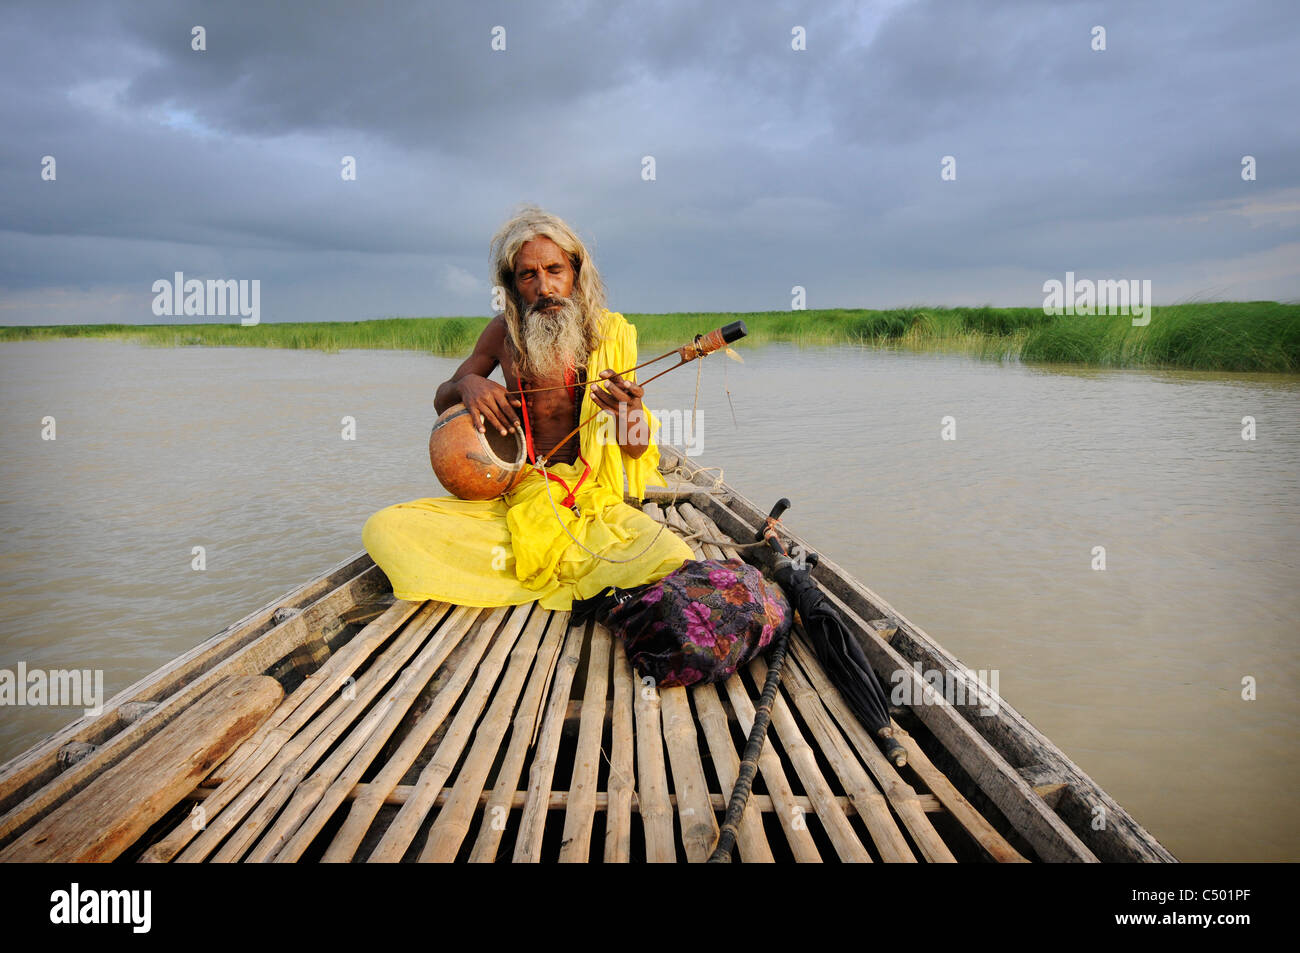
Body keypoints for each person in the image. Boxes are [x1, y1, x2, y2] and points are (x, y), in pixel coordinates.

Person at [362, 205, 694, 610]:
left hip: (588, 499)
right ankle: (566, 568)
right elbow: (440, 401)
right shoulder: (502, 332)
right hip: (517, 494)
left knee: (670, 554)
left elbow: (637, 449)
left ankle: (529, 567)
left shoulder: (607, 336)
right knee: (385, 529)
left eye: (555, 270)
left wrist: (630, 414)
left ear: (575, 273)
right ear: (513, 284)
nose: (545, 287)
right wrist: (468, 384)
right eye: (529, 275)